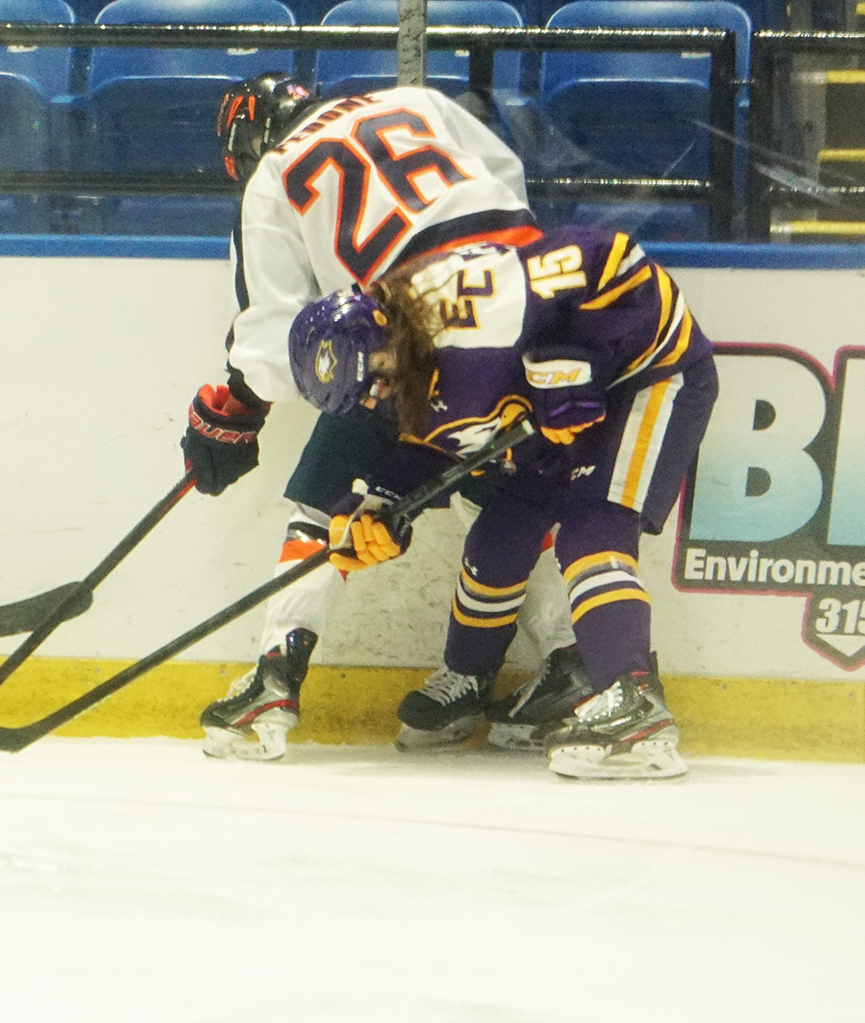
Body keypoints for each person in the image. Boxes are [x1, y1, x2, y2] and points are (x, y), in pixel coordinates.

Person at [184, 72, 584, 760]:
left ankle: (273, 686)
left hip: (415, 325)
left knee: (323, 505)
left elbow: (271, 345)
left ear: (247, 145)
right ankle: (574, 665)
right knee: (498, 488)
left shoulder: (275, 173)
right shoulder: (415, 102)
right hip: (520, 297)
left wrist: (233, 411)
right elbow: (504, 178)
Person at [286, 224, 717, 779]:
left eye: (381, 379)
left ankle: (634, 702)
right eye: (365, 396)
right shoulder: (401, 354)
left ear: (386, 336)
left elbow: (614, 256)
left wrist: (584, 360)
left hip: (652, 378)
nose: (381, 396)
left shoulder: (481, 319)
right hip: (550, 421)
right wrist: (380, 507)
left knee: (593, 528)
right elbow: (435, 442)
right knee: (496, 539)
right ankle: (468, 679)